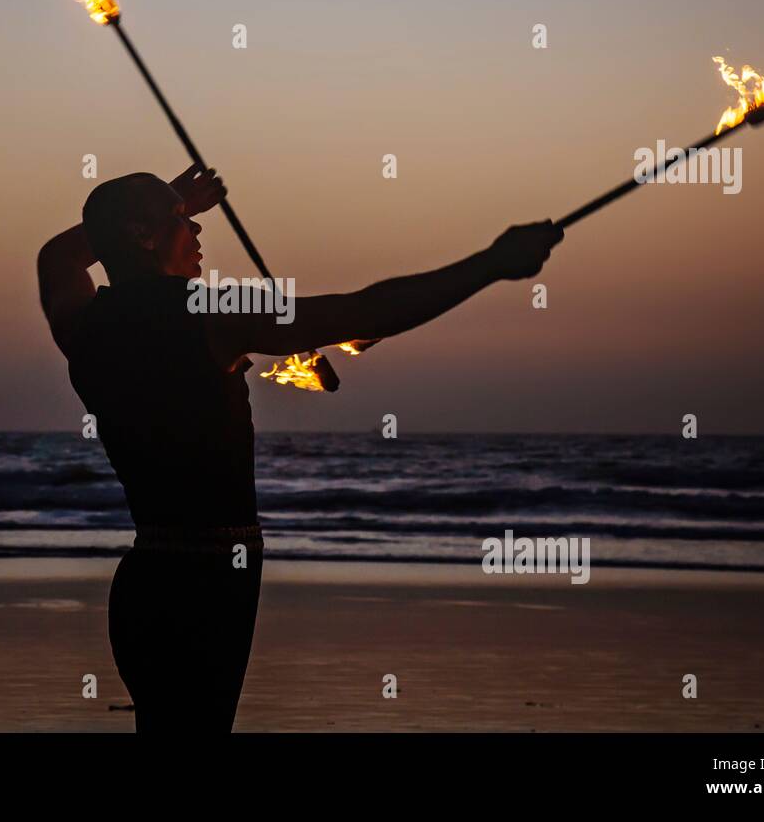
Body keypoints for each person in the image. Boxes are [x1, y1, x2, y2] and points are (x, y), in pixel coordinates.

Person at [37, 164, 563, 732]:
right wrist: (491, 264)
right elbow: (364, 309)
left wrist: (172, 201)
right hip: (208, 585)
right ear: (143, 235)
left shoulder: (83, 323)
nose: (196, 232)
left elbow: (56, 258)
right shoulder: (210, 315)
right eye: (180, 221)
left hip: (148, 577)